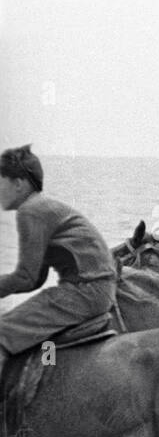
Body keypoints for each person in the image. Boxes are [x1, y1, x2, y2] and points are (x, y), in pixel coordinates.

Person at [0, 144, 117, 379]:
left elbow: (26, 277)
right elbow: (35, 279)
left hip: (83, 291)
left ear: (19, 183)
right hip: (98, 289)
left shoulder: (30, 211)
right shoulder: (42, 207)